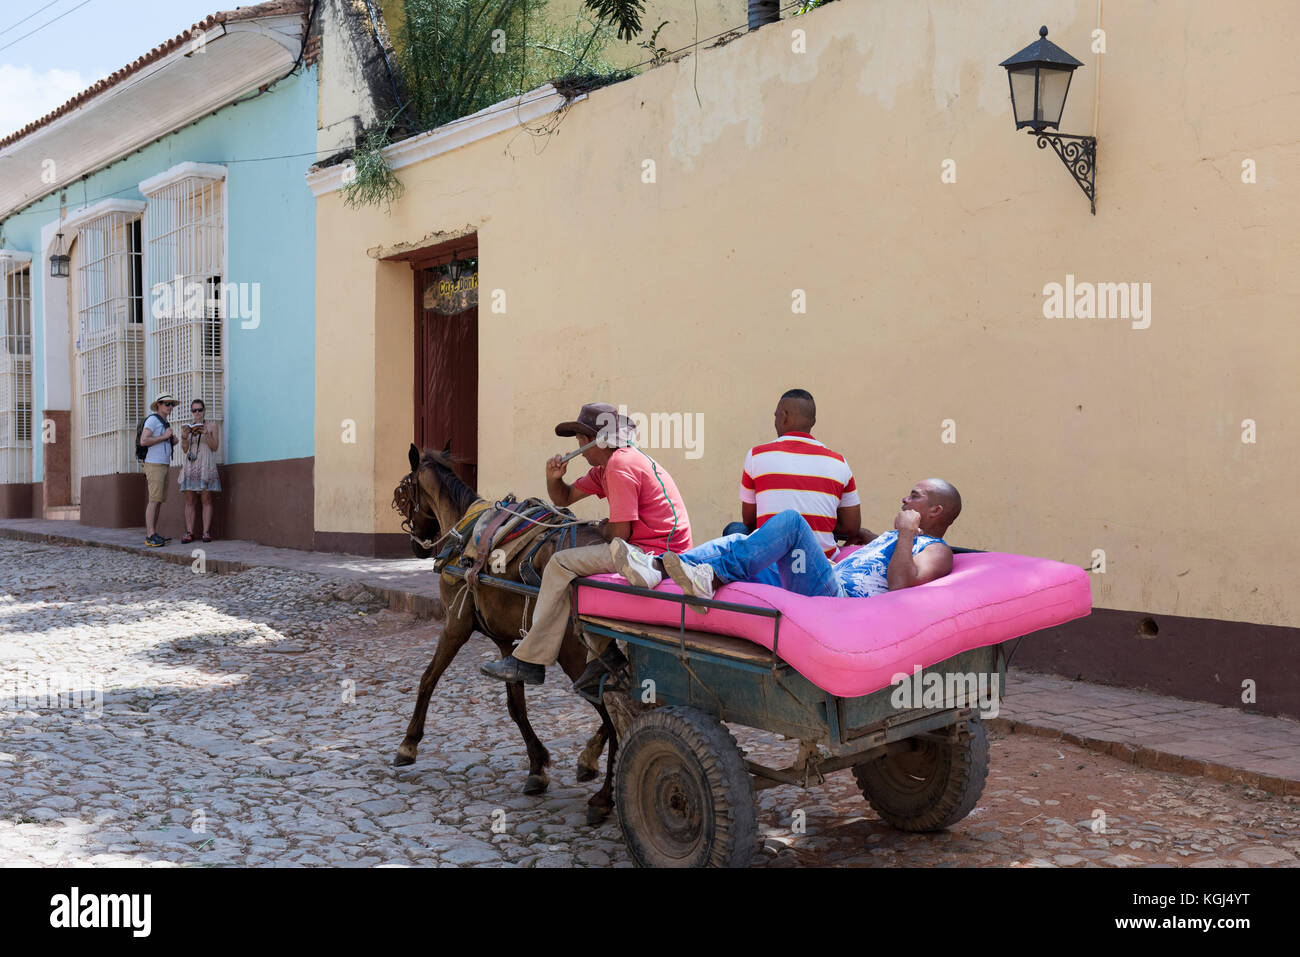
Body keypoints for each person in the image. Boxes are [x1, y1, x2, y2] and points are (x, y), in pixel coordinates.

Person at [479, 402, 692, 691]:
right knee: (575, 568)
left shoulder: (619, 465)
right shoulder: (606, 467)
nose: (578, 444)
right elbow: (564, 498)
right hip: (642, 549)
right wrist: (554, 479)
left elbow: (619, 534)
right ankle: (603, 656)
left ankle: (530, 660)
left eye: (582, 438)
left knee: (559, 563)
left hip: (654, 555)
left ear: (600, 440)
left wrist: (603, 526)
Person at [612, 479, 961, 604]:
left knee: (792, 521)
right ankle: (656, 568)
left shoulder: (937, 550)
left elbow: (901, 585)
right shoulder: (893, 539)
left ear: (935, 511)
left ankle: (712, 578)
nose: (905, 501)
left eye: (914, 497)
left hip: (837, 601)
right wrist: (875, 538)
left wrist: (904, 532)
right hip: (821, 578)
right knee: (735, 537)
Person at [179, 398, 221, 543]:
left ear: (204, 411)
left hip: (205, 463)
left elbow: (215, 447)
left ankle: (206, 532)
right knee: (190, 499)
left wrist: (206, 434)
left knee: (206, 498)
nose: (197, 413)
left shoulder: (212, 425)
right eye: (194, 410)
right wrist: (184, 438)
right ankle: (189, 532)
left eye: (199, 410)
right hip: (191, 463)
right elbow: (185, 449)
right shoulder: (187, 427)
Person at [140, 393, 179, 547]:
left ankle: (153, 533)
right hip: (154, 464)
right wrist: (164, 437)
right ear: (158, 405)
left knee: (159, 501)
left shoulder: (164, 422)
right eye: (166, 404)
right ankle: (150, 535)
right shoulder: (152, 420)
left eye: (171, 404)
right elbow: (144, 440)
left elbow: (160, 441)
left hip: (163, 464)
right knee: (154, 500)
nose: (170, 407)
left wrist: (171, 440)